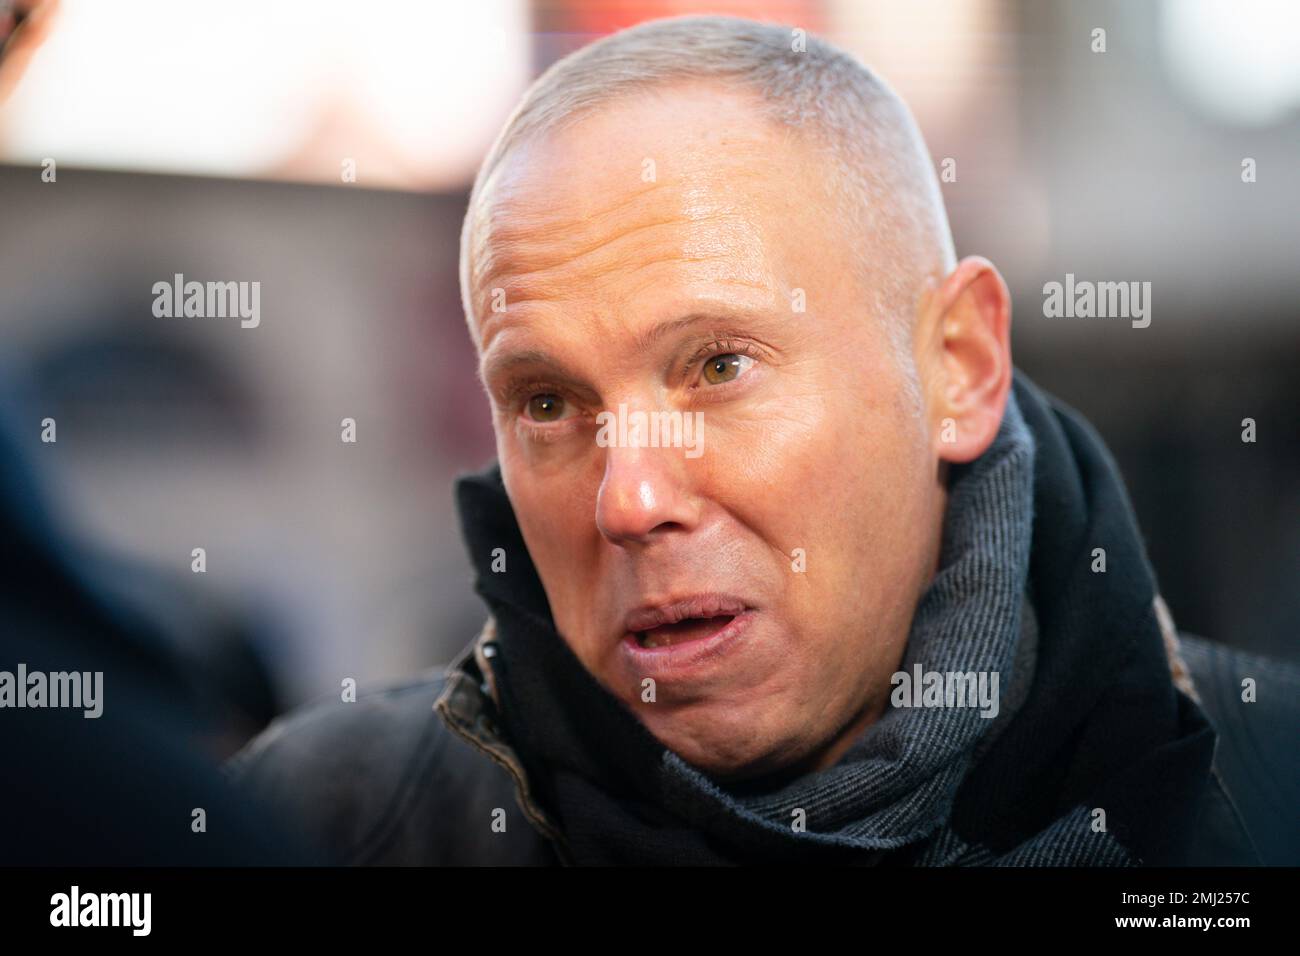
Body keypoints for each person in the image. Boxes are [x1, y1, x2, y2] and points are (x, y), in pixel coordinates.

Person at [228, 15, 1299, 866]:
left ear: (960, 366)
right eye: (549, 402)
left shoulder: (1273, 791)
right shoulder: (319, 821)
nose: (628, 498)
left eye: (718, 366)